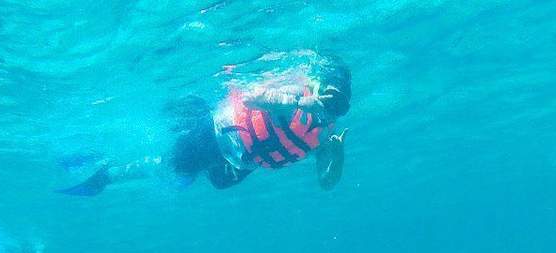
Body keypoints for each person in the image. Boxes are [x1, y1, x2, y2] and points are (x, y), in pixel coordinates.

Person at [60, 50, 351, 196]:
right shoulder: (295, 92)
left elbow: (327, 183)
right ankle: (103, 173)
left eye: (335, 103)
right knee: (168, 166)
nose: (327, 109)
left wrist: (335, 156)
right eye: (327, 92)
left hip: (238, 161)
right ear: (316, 84)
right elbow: (251, 99)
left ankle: (108, 168)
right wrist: (301, 102)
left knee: (214, 181)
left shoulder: (327, 133)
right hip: (214, 135)